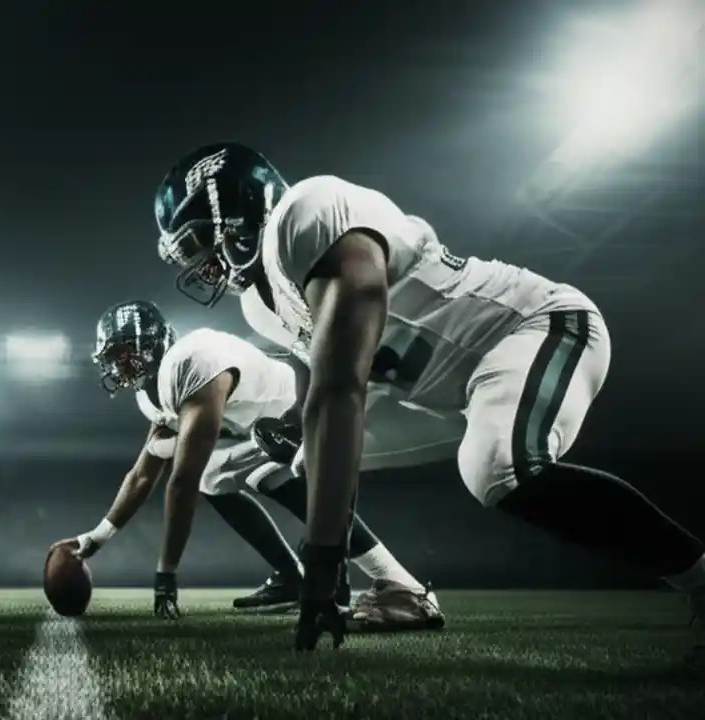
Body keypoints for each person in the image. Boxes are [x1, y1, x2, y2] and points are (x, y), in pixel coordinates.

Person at [151, 143, 705, 660]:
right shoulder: (258, 307)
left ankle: (698, 577)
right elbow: (331, 381)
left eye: (199, 241)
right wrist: (297, 422)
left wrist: (322, 560)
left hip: (535, 327)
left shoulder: (307, 213)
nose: (197, 264)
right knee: (306, 457)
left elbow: (339, 388)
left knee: (495, 468)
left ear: (237, 214)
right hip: (447, 389)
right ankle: (404, 590)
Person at [53, 300, 443, 629]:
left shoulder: (192, 363)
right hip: (261, 429)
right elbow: (142, 474)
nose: (119, 366)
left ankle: (403, 587)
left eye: (126, 353)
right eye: (113, 358)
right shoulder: (152, 394)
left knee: (263, 472)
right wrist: (94, 539)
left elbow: (181, 482)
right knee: (217, 473)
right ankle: (293, 578)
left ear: (153, 346)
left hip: (303, 406)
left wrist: (166, 574)